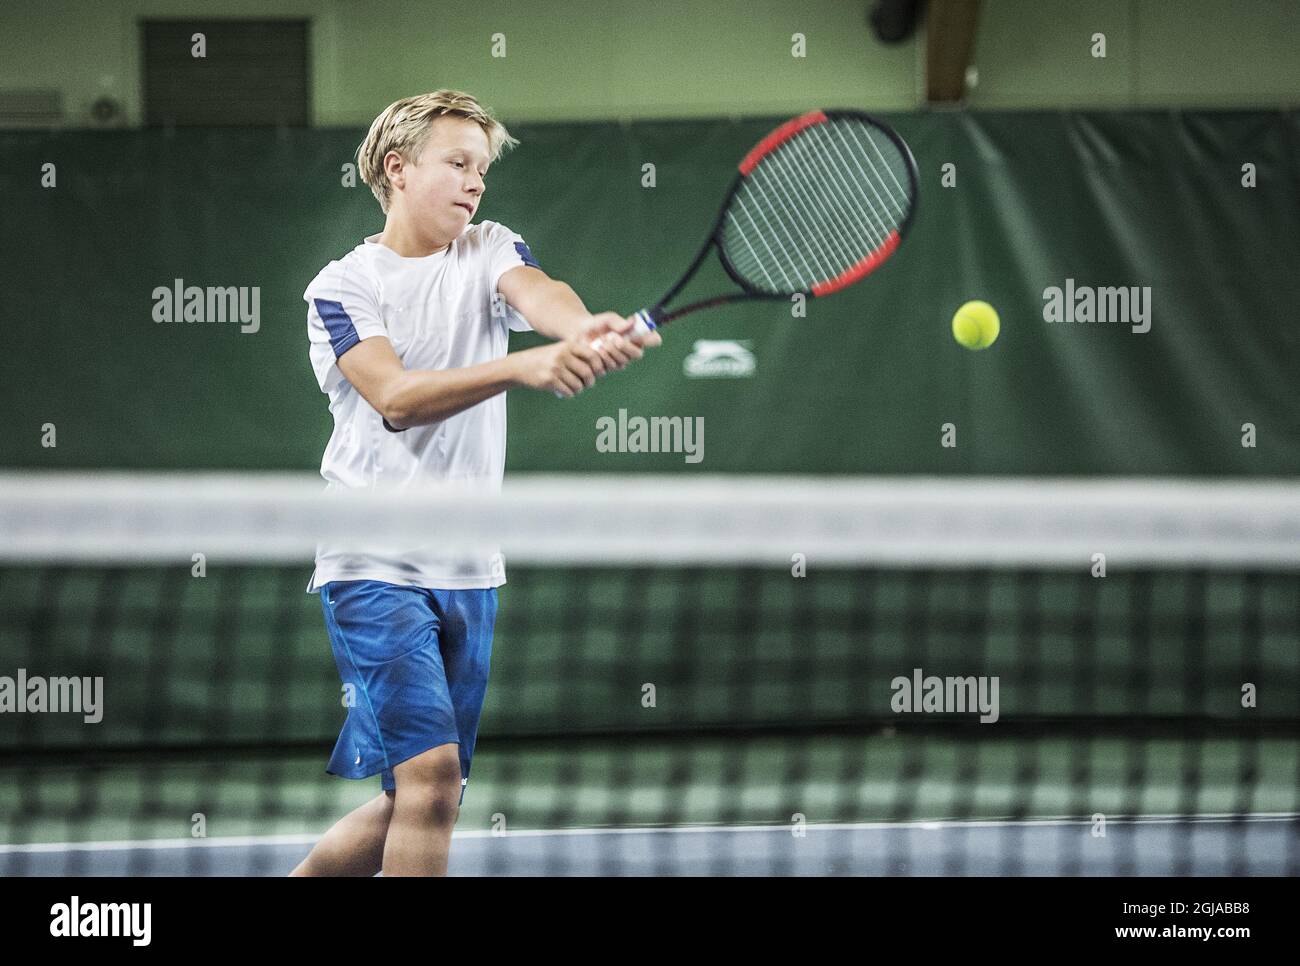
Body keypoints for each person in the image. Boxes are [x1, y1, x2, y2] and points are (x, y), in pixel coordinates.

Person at [290, 90, 659, 876]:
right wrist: (524, 366)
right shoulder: (342, 287)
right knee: (429, 781)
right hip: (372, 563)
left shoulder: (489, 246)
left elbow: (538, 291)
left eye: (482, 170)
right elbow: (395, 398)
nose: (475, 183)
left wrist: (580, 328)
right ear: (398, 169)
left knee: (424, 796)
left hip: (469, 569)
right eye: (458, 164)